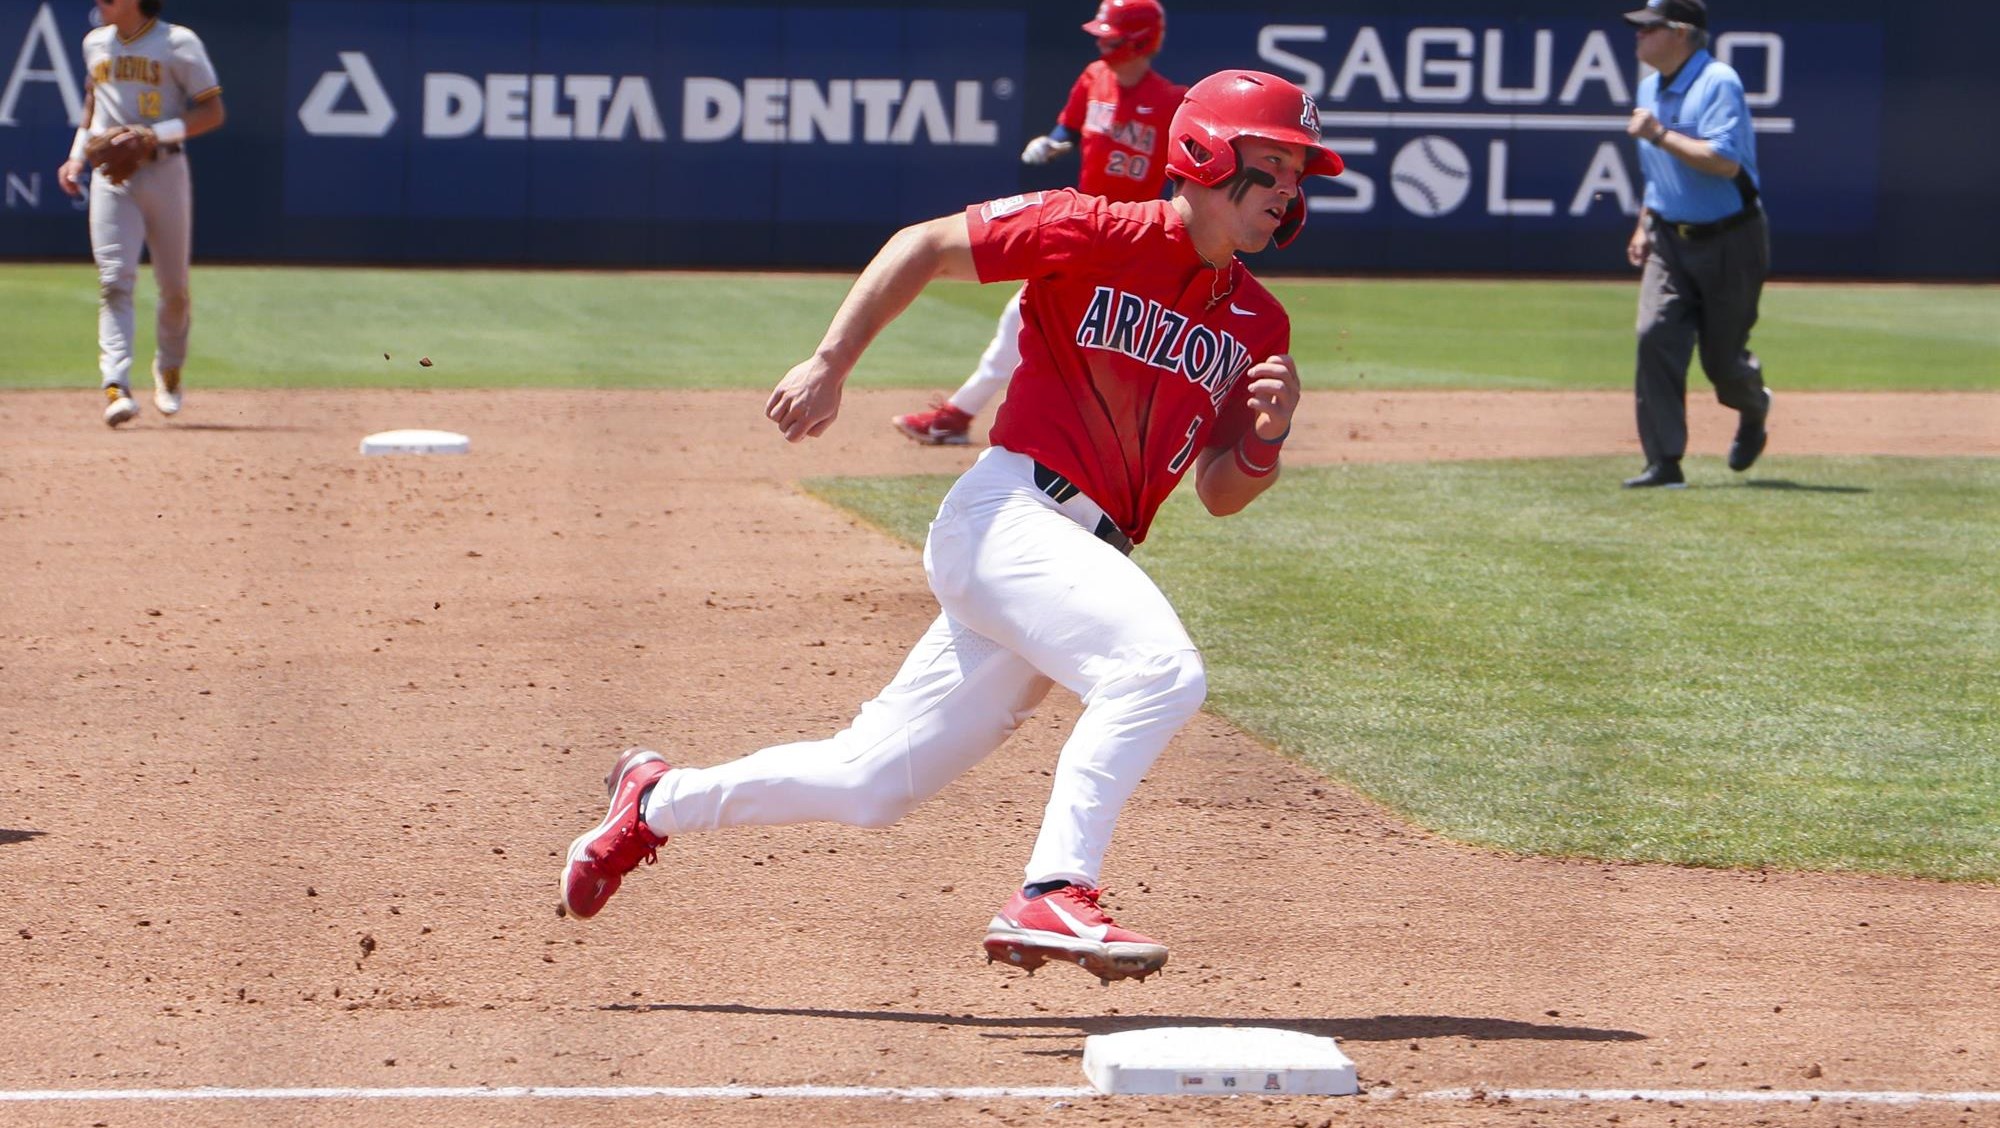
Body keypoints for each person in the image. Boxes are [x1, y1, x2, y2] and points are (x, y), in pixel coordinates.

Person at [561, 71, 1342, 984]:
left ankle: (655, 801)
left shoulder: (1260, 322)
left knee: (870, 782)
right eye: (1274, 161)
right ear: (1206, 153)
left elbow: (1219, 491)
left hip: (1069, 561)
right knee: (1158, 672)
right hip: (1009, 516)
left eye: (1300, 172)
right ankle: (1055, 888)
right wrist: (830, 362)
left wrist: (1267, 439)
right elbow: (925, 244)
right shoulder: (1096, 227)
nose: (1290, 187)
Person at [890, 0, 1183, 446]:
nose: (1102, 45)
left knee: (1110, 339)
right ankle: (958, 416)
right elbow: (1069, 127)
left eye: (1111, 38)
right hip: (1085, 224)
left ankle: (963, 417)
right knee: (1030, 315)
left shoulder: (1170, 102)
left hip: (1133, 236)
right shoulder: (1094, 78)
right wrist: (1052, 142)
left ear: (1140, 42)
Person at [1618, 0, 1770, 488]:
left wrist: (1659, 133)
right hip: (1668, 237)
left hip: (1730, 237)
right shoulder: (1649, 86)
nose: (1639, 35)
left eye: (1650, 28)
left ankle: (1754, 405)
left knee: (1722, 364)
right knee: (1654, 336)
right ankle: (1664, 463)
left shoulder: (1718, 82)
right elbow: (1657, 174)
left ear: (1681, 33)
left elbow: (1724, 162)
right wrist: (1644, 223)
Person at [56, 0, 225, 428]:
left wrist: (151, 134)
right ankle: (115, 384)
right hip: (113, 178)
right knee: (114, 279)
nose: (100, 2)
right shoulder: (95, 43)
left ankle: (169, 366)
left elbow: (212, 112)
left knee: (174, 288)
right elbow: (93, 102)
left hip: (165, 171)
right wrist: (77, 156)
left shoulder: (178, 43)